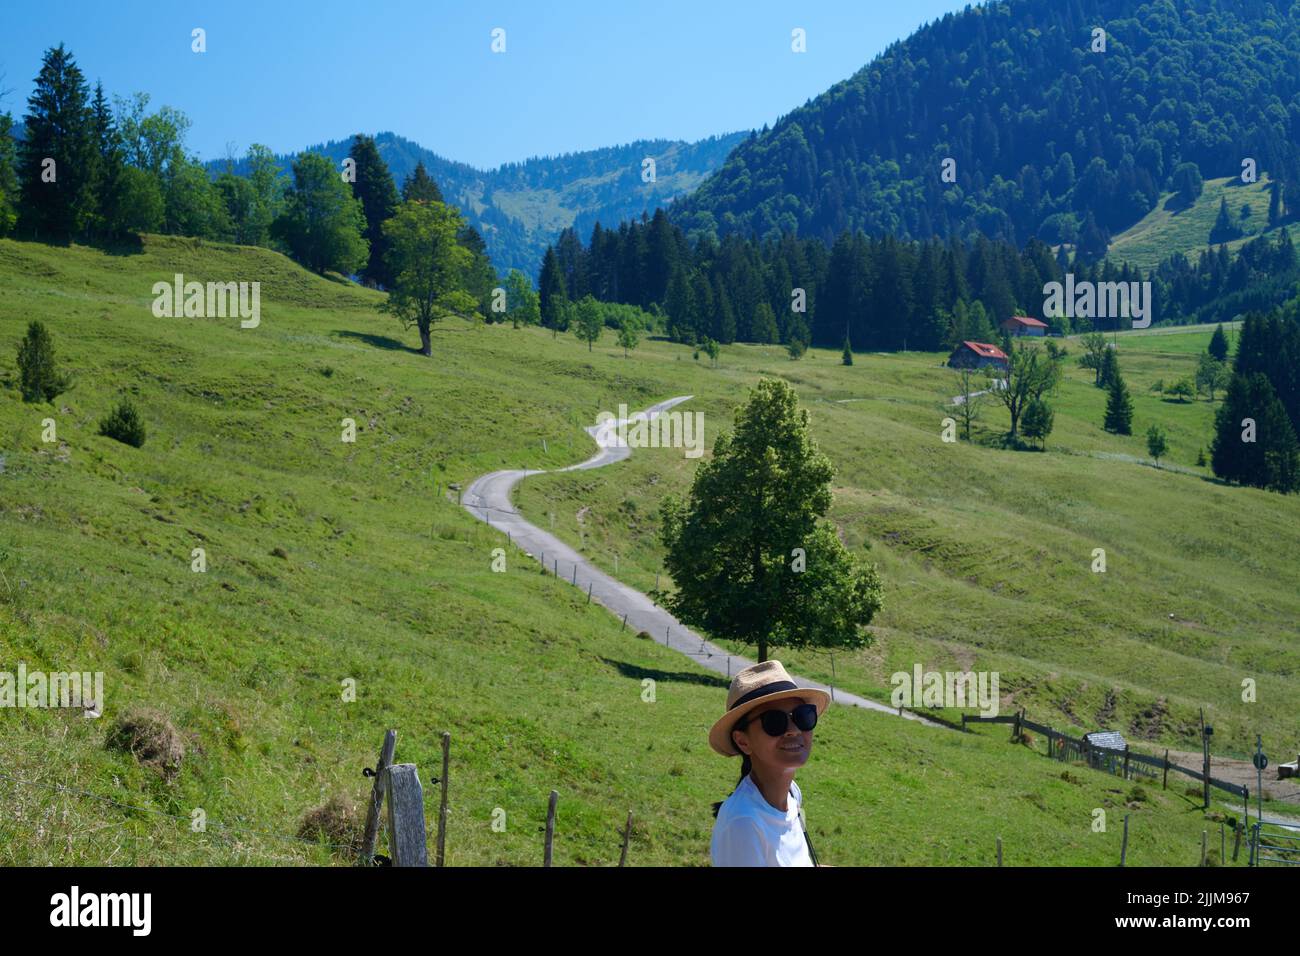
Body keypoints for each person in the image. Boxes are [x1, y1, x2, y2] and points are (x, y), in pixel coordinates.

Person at [708, 660, 830, 866]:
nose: (794, 730)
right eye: (774, 721)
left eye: (803, 716)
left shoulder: (792, 793)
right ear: (743, 741)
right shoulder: (743, 823)